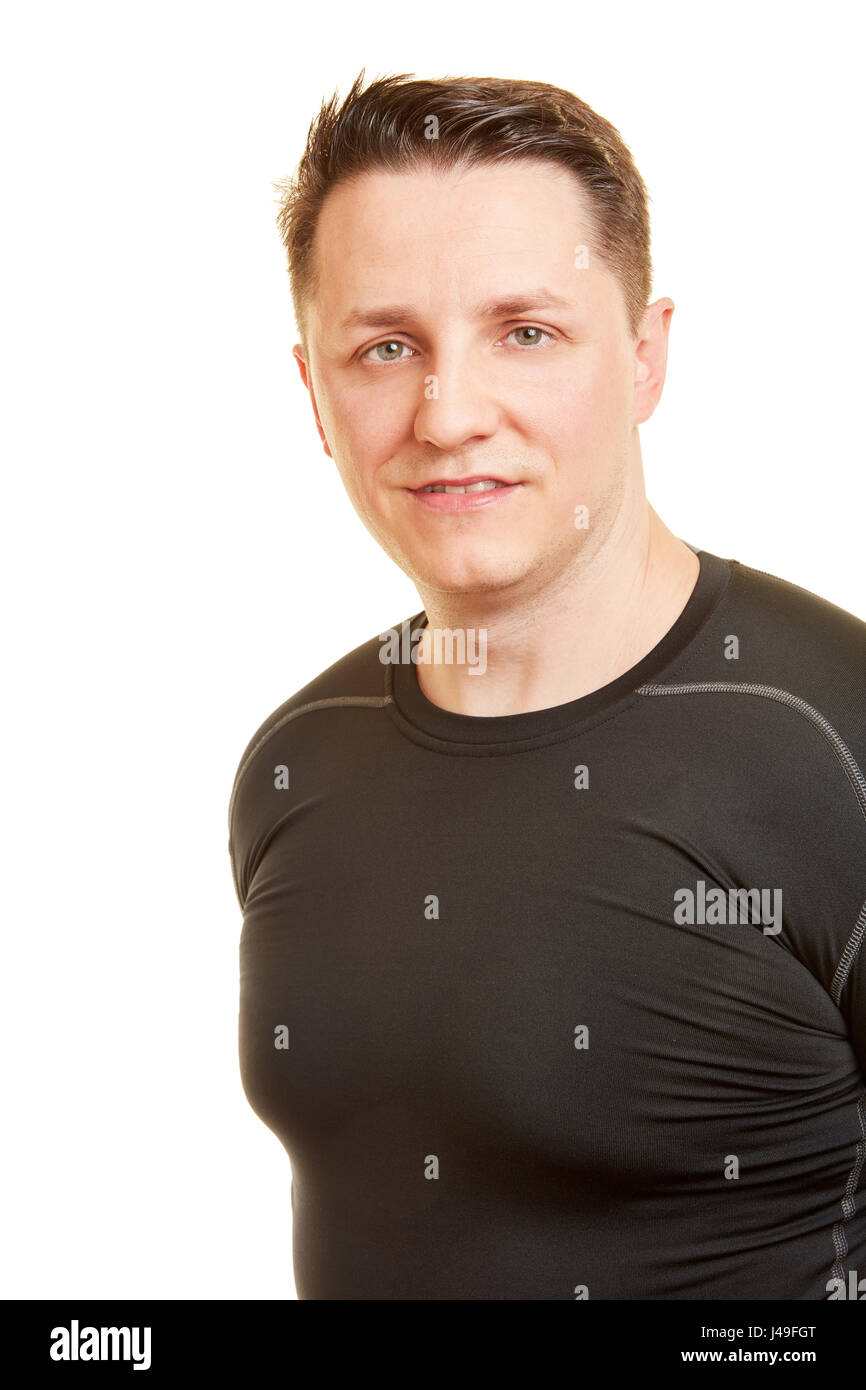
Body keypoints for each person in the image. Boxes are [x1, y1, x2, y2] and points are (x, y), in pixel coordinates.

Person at [228, 71, 866, 1300]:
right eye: (384, 346)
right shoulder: (297, 759)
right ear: (314, 392)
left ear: (641, 358)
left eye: (524, 332)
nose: (448, 413)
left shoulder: (829, 744)